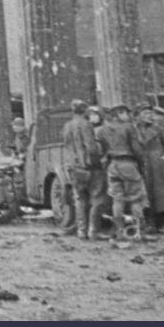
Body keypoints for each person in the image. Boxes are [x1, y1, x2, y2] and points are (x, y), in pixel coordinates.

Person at [96, 103, 149, 244]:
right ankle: (139, 233)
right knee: (135, 199)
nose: (128, 115)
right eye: (126, 112)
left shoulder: (103, 129)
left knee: (117, 200)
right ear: (119, 113)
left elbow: (102, 149)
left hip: (113, 166)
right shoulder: (129, 128)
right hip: (128, 165)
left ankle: (119, 232)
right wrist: (142, 163)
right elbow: (137, 150)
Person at [62, 100, 105, 239]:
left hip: (74, 167)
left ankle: (81, 231)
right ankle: (93, 231)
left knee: (80, 199)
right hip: (89, 166)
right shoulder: (86, 124)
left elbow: (67, 145)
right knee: (96, 199)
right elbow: (91, 147)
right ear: (84, 110)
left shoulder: (67, 125)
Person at [135, 104, 164, 233]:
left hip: (158, 165)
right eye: (145, 113)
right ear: (138, 116)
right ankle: (150, 223)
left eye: (150, 113)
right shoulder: (134, 129)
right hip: (142, 163)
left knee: (162, 194)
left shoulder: (159, 127)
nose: (149, 116)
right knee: (145, 194)